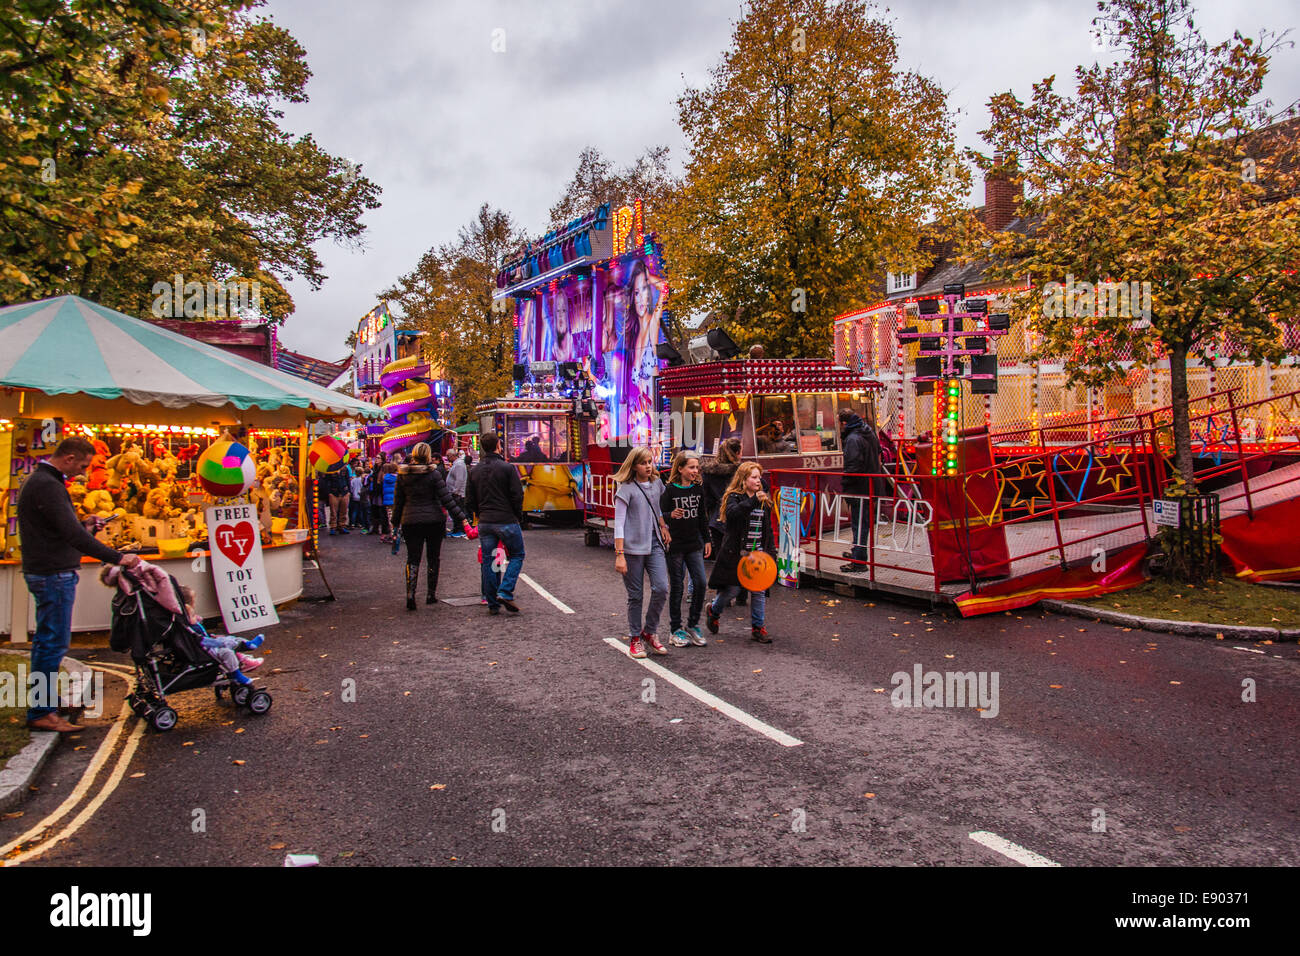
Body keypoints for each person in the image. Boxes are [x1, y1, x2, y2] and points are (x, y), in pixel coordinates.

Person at [18, 436, 141, 732]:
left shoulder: (42, 481)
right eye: (83, 465)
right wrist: (118, 557)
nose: (83, 472)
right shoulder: (47, 485)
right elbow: (73, 537)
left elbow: (65, 530)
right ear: (69, 458)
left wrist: (86, 525)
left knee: (47, 642)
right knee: (53, 642)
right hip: (53, 573)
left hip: (48, 570)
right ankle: (41, 712)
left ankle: (44, 702)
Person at [392, 442, 469, 610]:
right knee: (433, 558)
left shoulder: (403, 474)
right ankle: (430, 594)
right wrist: (462, 518)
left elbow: (398, 502)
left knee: (413, 558)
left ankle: (410, 594)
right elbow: (446, 499)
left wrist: (395, 524)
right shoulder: (433, 474)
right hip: (434, 520)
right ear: (427, 455)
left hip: (410, 520)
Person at [705, 461, 776, 644]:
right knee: (733, 590)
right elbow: (733, 515)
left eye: (759, 477)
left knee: (758, 591)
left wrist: (771, 552)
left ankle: (758, 628)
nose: (758, 481)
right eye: (753, 477)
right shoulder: (734, 497)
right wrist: (753, 501)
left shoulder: (763, 500)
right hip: (737, 554)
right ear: (743, 480)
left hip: (758, 554)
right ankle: (714, 610)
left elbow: (767, 529)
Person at [613, 446, 671, 658]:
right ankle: (635, 638)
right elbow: (619, 523)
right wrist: (619, 554)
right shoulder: (625, 489)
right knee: (635, 596)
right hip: (631, 548)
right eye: (643, 463)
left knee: (662, 588)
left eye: (650, 462)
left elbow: (658, 509)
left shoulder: (657, 484)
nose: (648, 466)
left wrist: (664, 526)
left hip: (654, 543)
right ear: (634, 465)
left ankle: (650, 631)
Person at [465, 432, 525, 615]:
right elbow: (517, 494)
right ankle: (505, 590)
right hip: (506, 519)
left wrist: (479, 513)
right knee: (517, 554)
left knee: (488, 560)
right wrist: (517, 515)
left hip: (485, 521)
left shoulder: (474, 471)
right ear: (498, 445)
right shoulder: (507, 468)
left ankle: (492, 602)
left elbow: (469, 499)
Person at [660, 451, 711, 648]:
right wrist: (671, 514)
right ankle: (675, 629)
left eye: (697, 467)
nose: (695, 471)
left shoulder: (698, 489)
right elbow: (660, 515)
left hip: (694, 543)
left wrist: (707, 539)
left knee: (700, 582)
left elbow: (702, 517)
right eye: (691, 467)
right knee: (678, 586)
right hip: (675, 544)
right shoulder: (670, 490)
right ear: (680, 468)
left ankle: (693, 624)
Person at [178, 585, 265, 683]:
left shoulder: (188, 626)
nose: (197, 617)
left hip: (205, 645)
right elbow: (202, 641)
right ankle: (236, 673)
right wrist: (219, 642)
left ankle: (248, 646)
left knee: (230, 639)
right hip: (206, 649)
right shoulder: (190, 627)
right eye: (193, 615)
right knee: (227, 651)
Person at [701, 437, 747, 606]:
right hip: (738, 518)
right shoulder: (741, 472)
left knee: (723, 559)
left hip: (718, 520)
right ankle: (742, 593)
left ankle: (723, 594)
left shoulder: (709, 472)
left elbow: (707, 500)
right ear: (736, 453)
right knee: (742, 555)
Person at [839, 407, 885, 573]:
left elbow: (852, 466)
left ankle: (859, 561)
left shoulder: (853, 439)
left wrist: (845, 483)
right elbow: (881, 454)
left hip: (858, 487)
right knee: (863, 523)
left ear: (844, 423)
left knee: (859, 524)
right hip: (871, 484)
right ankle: (858, 553)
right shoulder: (869, 432)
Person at [446, 448, 469, 538]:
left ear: (452, 456)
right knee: (455, 513)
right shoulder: (457, 464)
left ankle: (461, 530)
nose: (447, 458)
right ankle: (456, 529)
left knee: (458, 512)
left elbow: (459, 480)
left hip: (458, 494)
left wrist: (456, 491)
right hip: (455, 493)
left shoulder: (459, 465)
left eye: (448, 456)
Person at [323, 461, 350, 535]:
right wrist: (329, 492)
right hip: (334, 492)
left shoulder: (345, 468)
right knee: (333, 512)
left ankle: (342, 526)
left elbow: (348, 480)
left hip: (344, 492)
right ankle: (333, 527)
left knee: (343, 511)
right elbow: (327, 481)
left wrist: (348, 491)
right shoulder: (330, 468)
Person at [379, 463, 398, 542]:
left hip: (388, 501)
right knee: (397, 518)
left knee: (390, 519)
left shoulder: (385, 478)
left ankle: (392, 535)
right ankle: (396, 535)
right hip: (396, 500)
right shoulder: (399, 478)